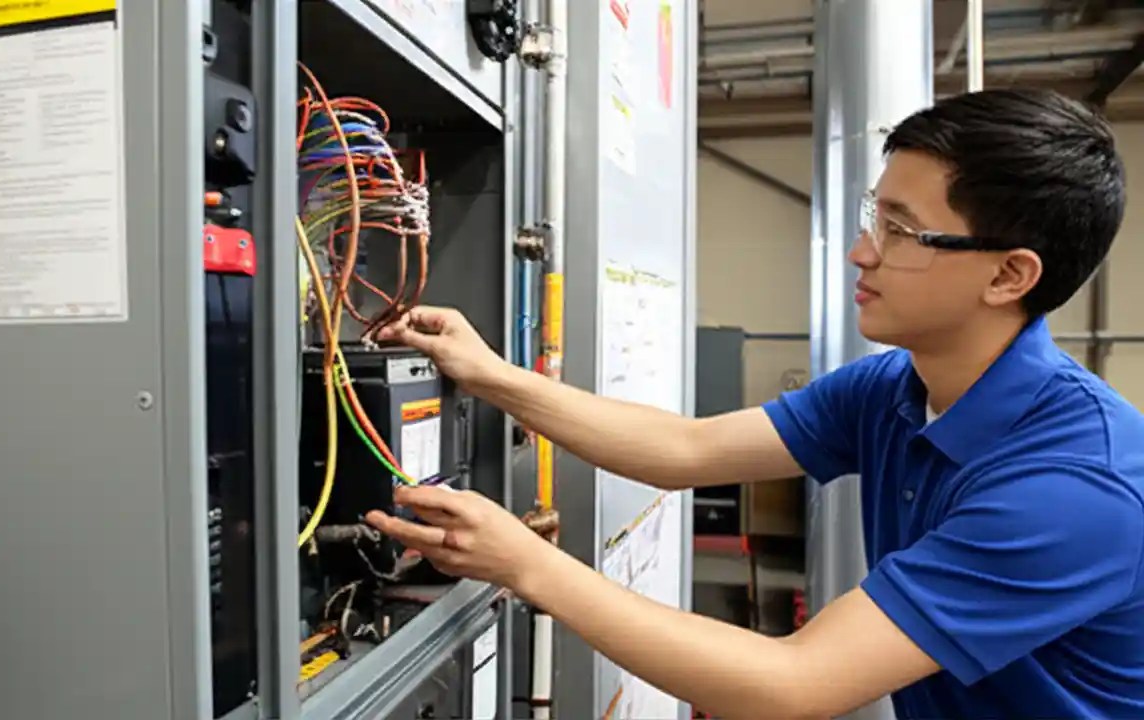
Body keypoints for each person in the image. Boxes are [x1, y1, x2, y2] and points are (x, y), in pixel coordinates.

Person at [365, 88, 1144, 719]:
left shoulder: (1076, 489)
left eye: (903, 231)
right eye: (878, 214)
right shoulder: (896, 386)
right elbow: (685, 452)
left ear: (1009, 276)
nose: (862, 249)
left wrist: (524, 563)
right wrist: (490, 374)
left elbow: (792, 684)